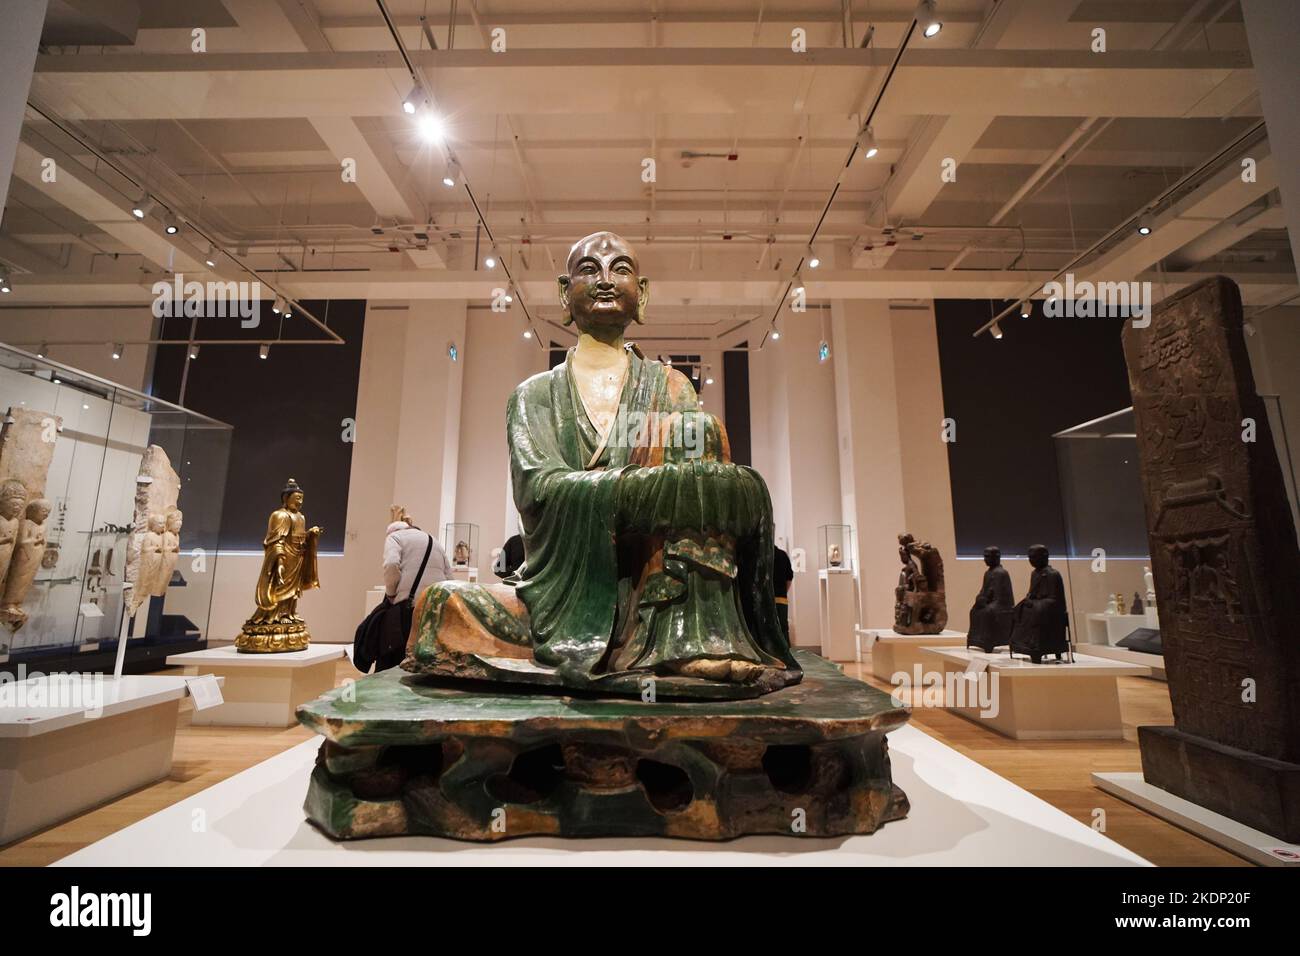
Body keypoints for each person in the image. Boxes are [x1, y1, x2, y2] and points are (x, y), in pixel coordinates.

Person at [383, 510, 451, 608]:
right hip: (437, 602)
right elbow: (449, 576)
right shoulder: (434, 540)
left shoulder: (394, 537)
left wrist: (391, 593)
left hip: (411, 603)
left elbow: (391, 564)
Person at [773, 544, 794, 643]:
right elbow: (789, 578)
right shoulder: (782, 555)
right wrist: (783, 592)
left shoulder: (759, 556)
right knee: (783, 629)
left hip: (764, 601)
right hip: (781, 598)